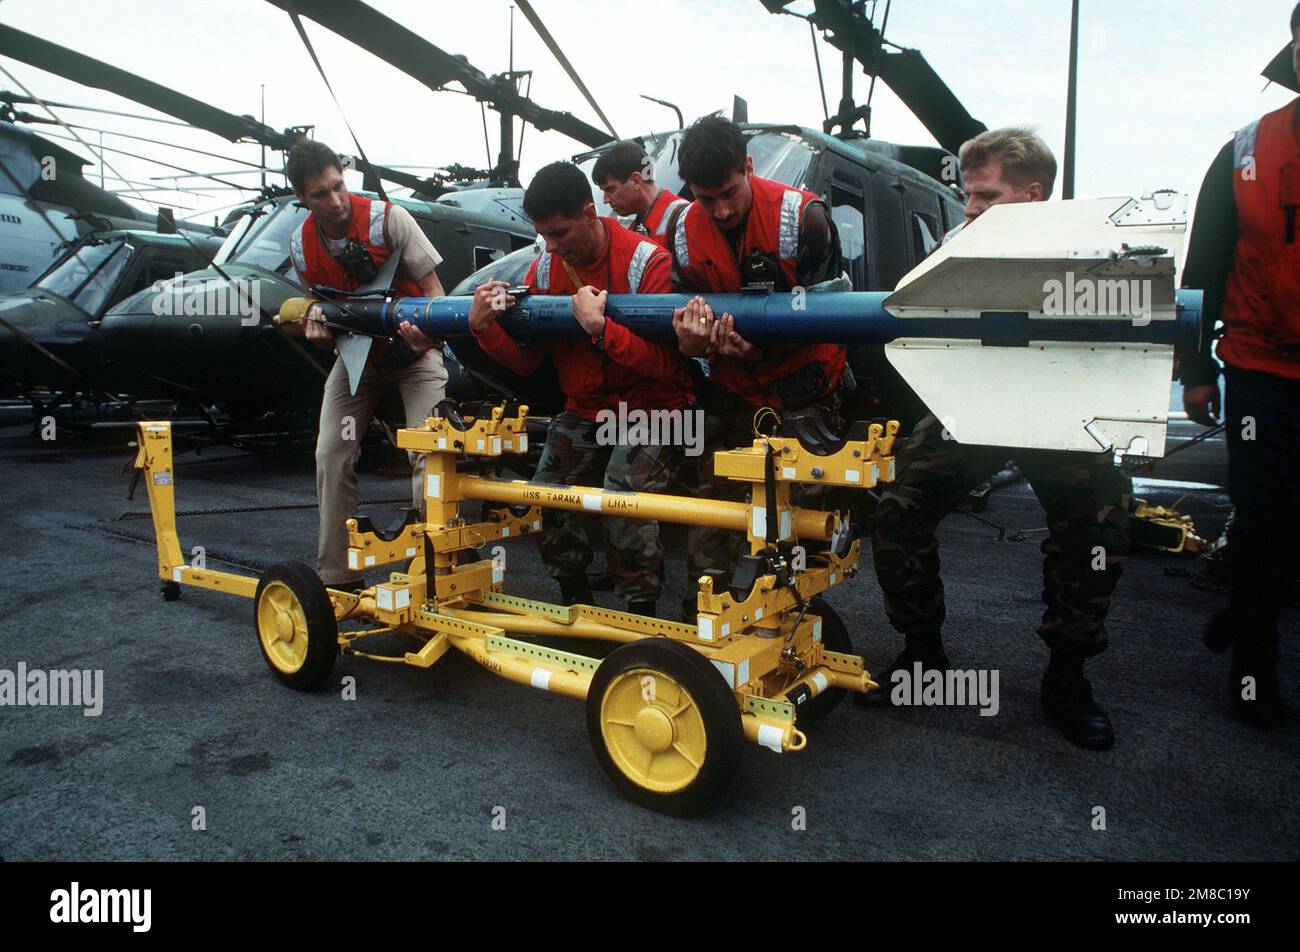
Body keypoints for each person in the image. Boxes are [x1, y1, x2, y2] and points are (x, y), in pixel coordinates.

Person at [863, 128, 1131, 752]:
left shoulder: (1094, 247)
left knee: (1097, 533)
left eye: (986, 196)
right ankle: (923, 656)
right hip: (977, 402)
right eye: (968, 195)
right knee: (898, 515)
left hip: (1060, 407)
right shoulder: (958, 246)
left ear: (1033, 195)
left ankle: (1067, 678)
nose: (970, 208)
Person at [468, 161, 693, 616]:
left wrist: (600, 329)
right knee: (546, 490)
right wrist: (483, 329)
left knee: (620, 491)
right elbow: (530, 361)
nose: (552, 246)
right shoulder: (547, 268)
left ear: (591, 213)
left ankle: (639, 615)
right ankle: (575, 603)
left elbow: (670, 367)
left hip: (659, 408)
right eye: (544, 236)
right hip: (588, 409)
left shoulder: (648, 264)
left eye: (561, 233)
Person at [668, 116, 847, 618]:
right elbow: (679, 308)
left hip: (801, 393)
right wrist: (689, 343)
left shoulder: (804, 218)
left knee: (798, 524)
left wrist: (758, 350)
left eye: (729, 192)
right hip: (733, 394)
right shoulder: (682, 231)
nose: (721, 210)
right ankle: (703, 618)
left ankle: (796, 625)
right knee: (715, 513)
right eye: (706, 199)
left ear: (748, 166)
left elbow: (827, 316)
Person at [1181, 4, 1300, 727]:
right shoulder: (1245, 149)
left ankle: (1246, 610)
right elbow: (1203, 269)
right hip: (1262, 372)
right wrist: (1196, 370)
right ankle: (1254, 673)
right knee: (1260, 524)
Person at [286, 139, 449, 591]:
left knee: (429, 453)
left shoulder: (389, 218)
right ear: (302, 198)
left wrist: (429, 334)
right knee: (331, 453)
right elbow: (321, 306)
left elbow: (436, 291)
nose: (336, 201)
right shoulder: (300, 246)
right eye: (321, 194)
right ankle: (337, 575)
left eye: (339, 186)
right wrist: (317, 329)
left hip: (416, 353)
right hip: (357, 357)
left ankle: (439, 569)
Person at [591, 140, 689, 247]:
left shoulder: (682, 219)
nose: (605, 200)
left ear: (636, 180)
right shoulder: (636, 228)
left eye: (610, 190)